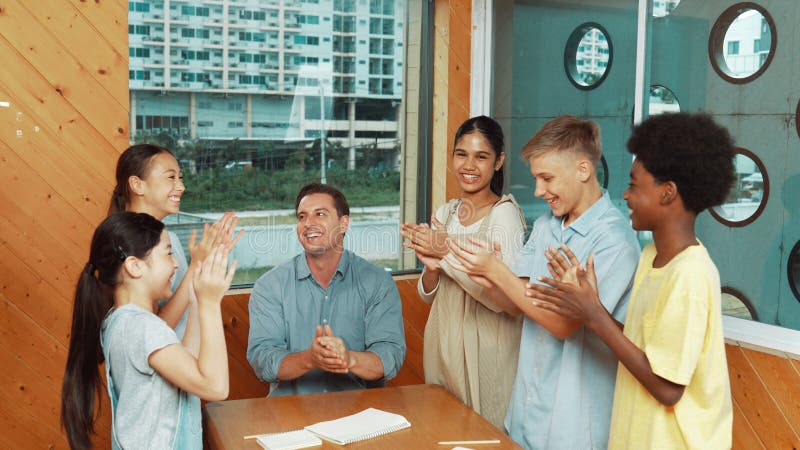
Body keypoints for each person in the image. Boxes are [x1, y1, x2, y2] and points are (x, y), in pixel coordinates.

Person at [527, 112, 734, 449]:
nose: (625, 195)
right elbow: (643, 349)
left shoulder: (691, 274)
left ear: (667, 193)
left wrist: (594, 315)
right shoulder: (651, 255)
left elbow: (668, 388)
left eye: (635, 185)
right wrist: (592, 306)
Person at [446, 116, 640, 449]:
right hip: (524, 415)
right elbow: (514, 304)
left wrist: (498, 272)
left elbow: (564, 324)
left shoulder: (614, 241)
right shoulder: (547, 225)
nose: (538, 191)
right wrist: (485, 273)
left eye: (547, 178)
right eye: (536, 178)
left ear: (582, 170)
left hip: (574, 426)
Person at [61, 212, 236, 449]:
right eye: (168, 253)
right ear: (135, 266)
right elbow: (215, 387)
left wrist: (197, 296)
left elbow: (189, 367)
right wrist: (211, 303)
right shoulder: (143, 328)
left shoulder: (120, 321)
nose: (176, 263)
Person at [400, 115, 526, 428]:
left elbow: (505, 300)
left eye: (481, 156)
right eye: (461, 154)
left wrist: (444, 252)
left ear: (498, 162)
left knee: (485, 433)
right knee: (443, 430)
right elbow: (428, 295)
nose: (469, 165)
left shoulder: (504, 216)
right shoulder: (446, 212)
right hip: (444, 343)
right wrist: (431, 268)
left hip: (487, 348)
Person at [247, 183, 406, 396]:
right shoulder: (269, 286)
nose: (308, 223)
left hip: (359, 410)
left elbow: (390, 356)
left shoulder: (378, 283)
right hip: (289, 410)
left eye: (320, 214)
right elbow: (262, 359)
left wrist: (349, 359)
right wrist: (310, 359)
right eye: (302, 216)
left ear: (343, 223)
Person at [109, 144, 242, 337]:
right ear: (137, 184)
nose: (181, 187)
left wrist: (207, 261)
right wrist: (195, 266)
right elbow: (150, 333)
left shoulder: (169, 238)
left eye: (180, 178)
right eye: (171, 177)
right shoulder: (127, 244)